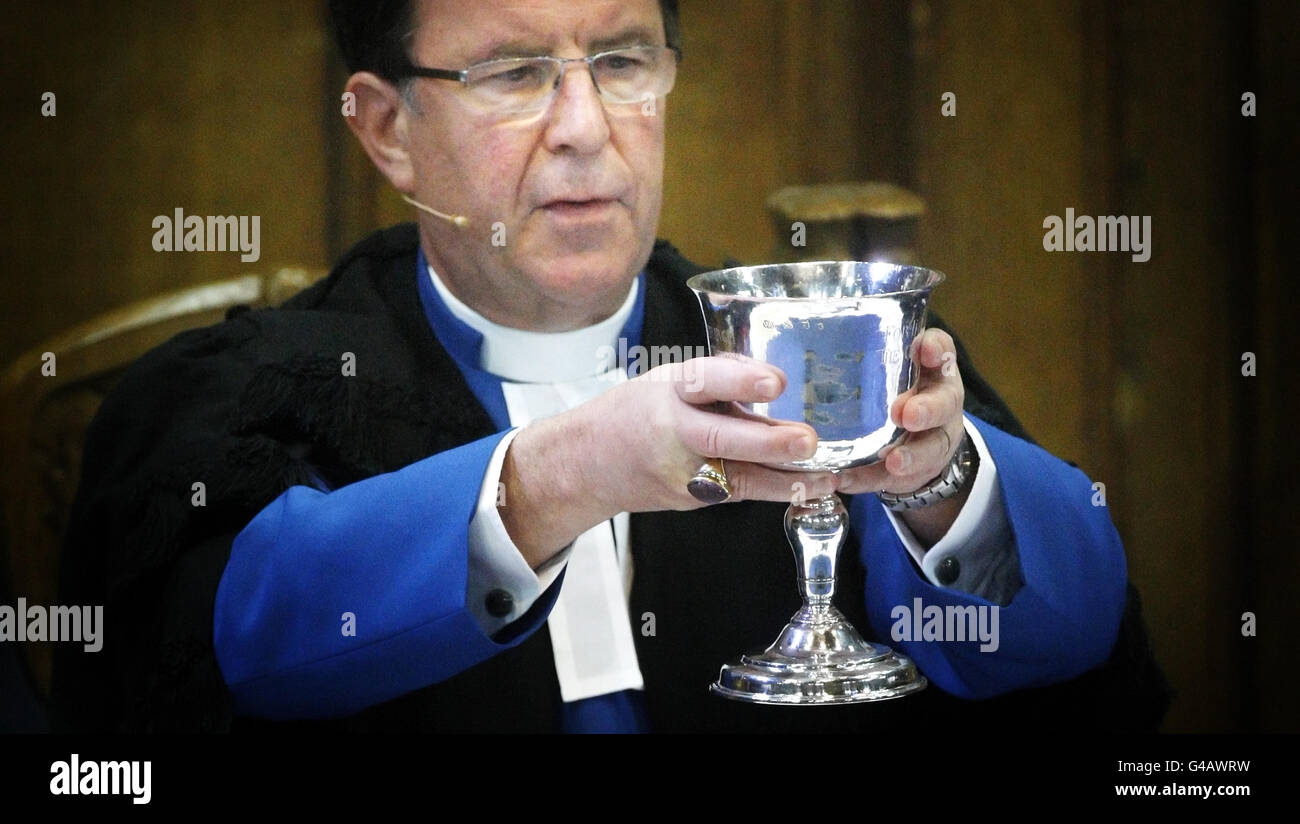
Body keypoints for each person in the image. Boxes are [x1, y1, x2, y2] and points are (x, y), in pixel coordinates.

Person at [52, 0, 1171, 733]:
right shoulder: (238, 394)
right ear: (386, 128)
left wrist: (937, 484)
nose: (587, 127)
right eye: (514, 72)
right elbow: (230, 650)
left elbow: (1079, 647)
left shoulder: (811, 343)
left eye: (624, 61)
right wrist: (562, 475)